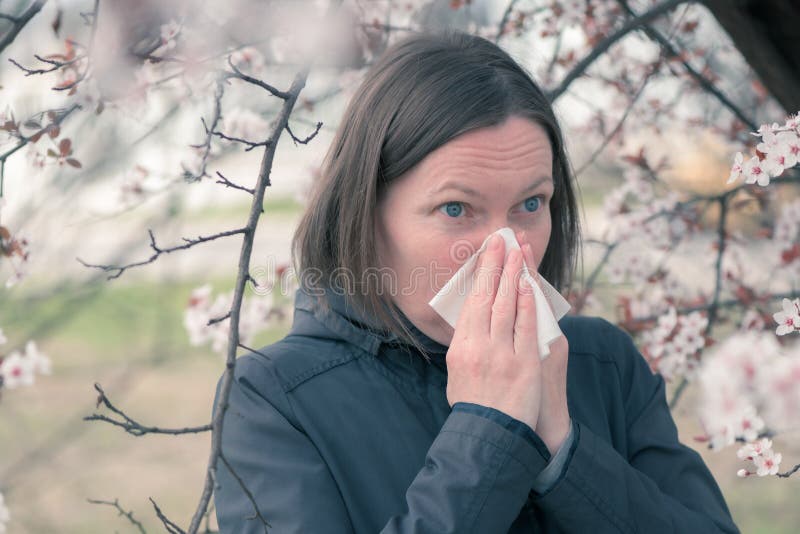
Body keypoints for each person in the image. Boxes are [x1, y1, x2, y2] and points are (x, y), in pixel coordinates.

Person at [212, 30, 740, 533]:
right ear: (366, 212)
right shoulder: (274, 400)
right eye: (457, 208)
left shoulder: (603, 364)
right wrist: (490, 429)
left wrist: (563, 449)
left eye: (530, 204)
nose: (506, 247)